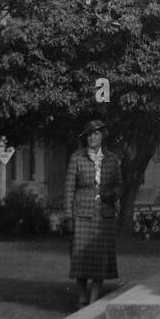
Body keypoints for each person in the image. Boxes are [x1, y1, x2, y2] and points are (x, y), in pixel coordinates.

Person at [63, 119, 122, 307]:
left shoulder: (112, 159)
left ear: (102, 136)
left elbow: (120, 185)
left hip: (104, 214)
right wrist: (68, 216)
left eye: (96, 134)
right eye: (89, 134)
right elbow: (69, 188)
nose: (92, 137)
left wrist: (112, 194)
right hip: (82, 212)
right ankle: (81, 296)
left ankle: (94, 297)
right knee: (80, 256)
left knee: (101, 258)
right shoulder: (77, 158)